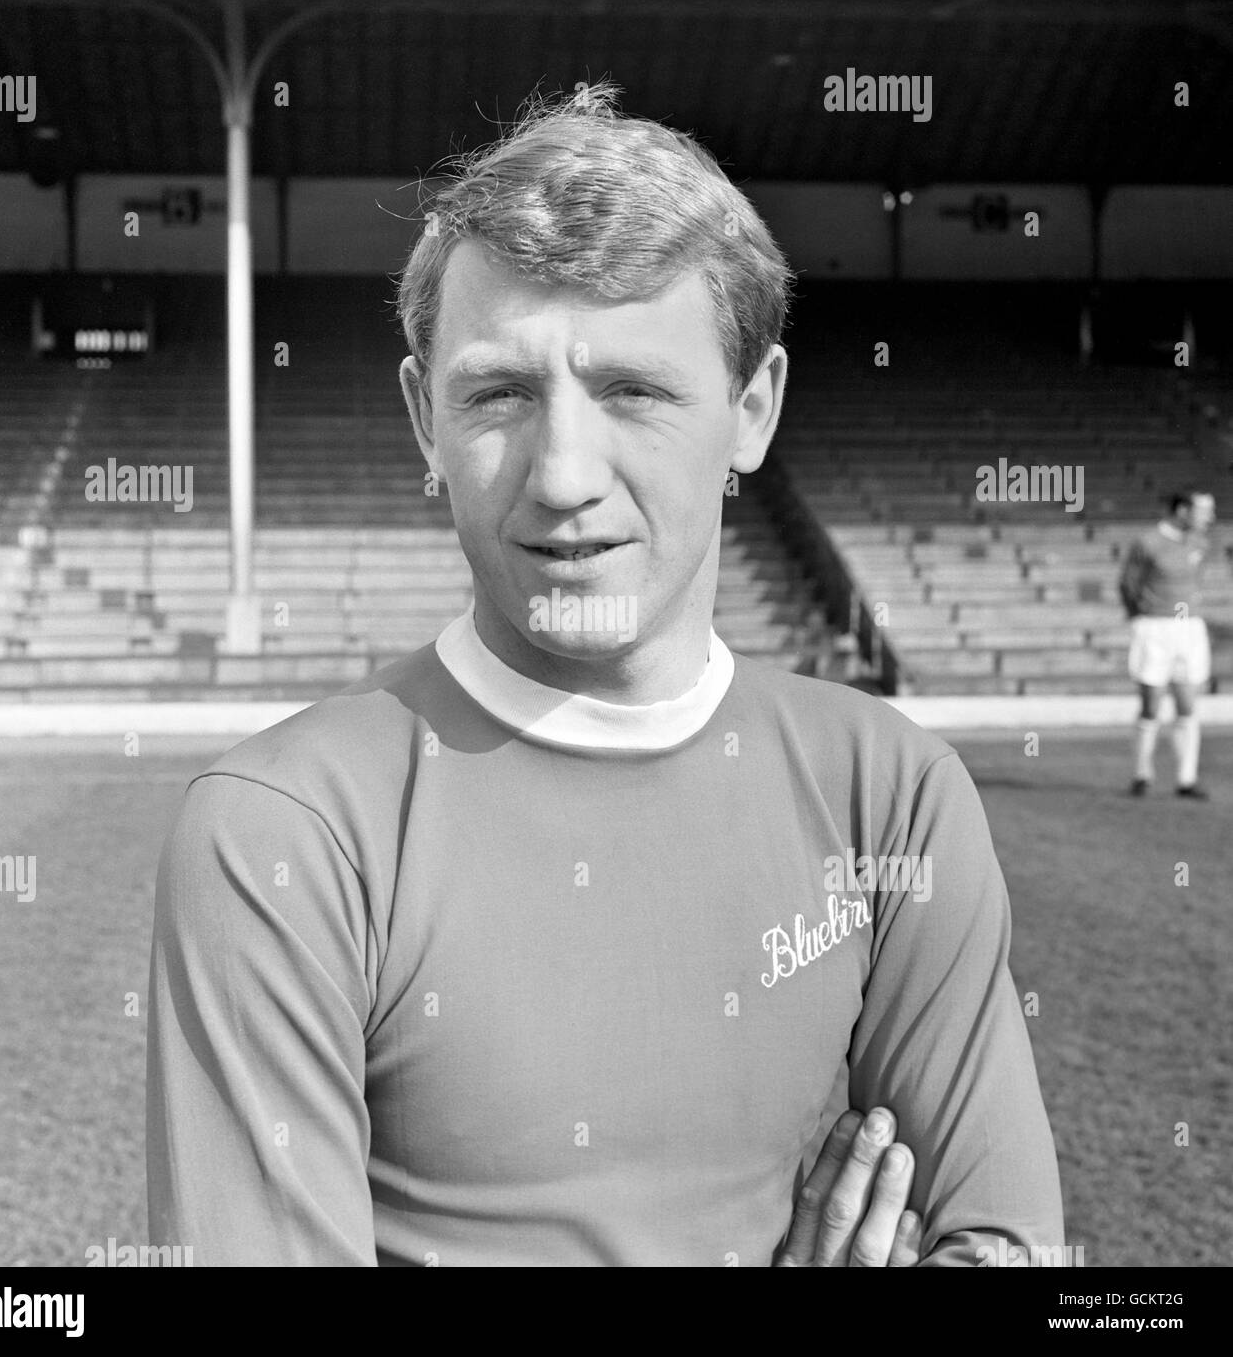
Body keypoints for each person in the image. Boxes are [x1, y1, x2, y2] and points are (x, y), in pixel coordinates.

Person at [146, 83, 1063, 1266]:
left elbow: (1009, 1250)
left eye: (633, 390)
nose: (564, 473)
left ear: (752, 409)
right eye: (500, 395)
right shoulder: (283, 835)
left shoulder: (890, 794)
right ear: (425, 420)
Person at [1118, 489, 1218, 798]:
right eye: (1204, 510)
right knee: (1151, 704)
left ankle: (1186, 779)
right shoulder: (1147, 542)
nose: (1210, 517)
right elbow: (1128, 583)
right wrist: (1141, 617)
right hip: (1154, 628)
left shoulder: (1201, 542)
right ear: (1183, 511)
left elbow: (1195, 580)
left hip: (1188, 628)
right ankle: (1142, 774)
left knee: (1188, 703)